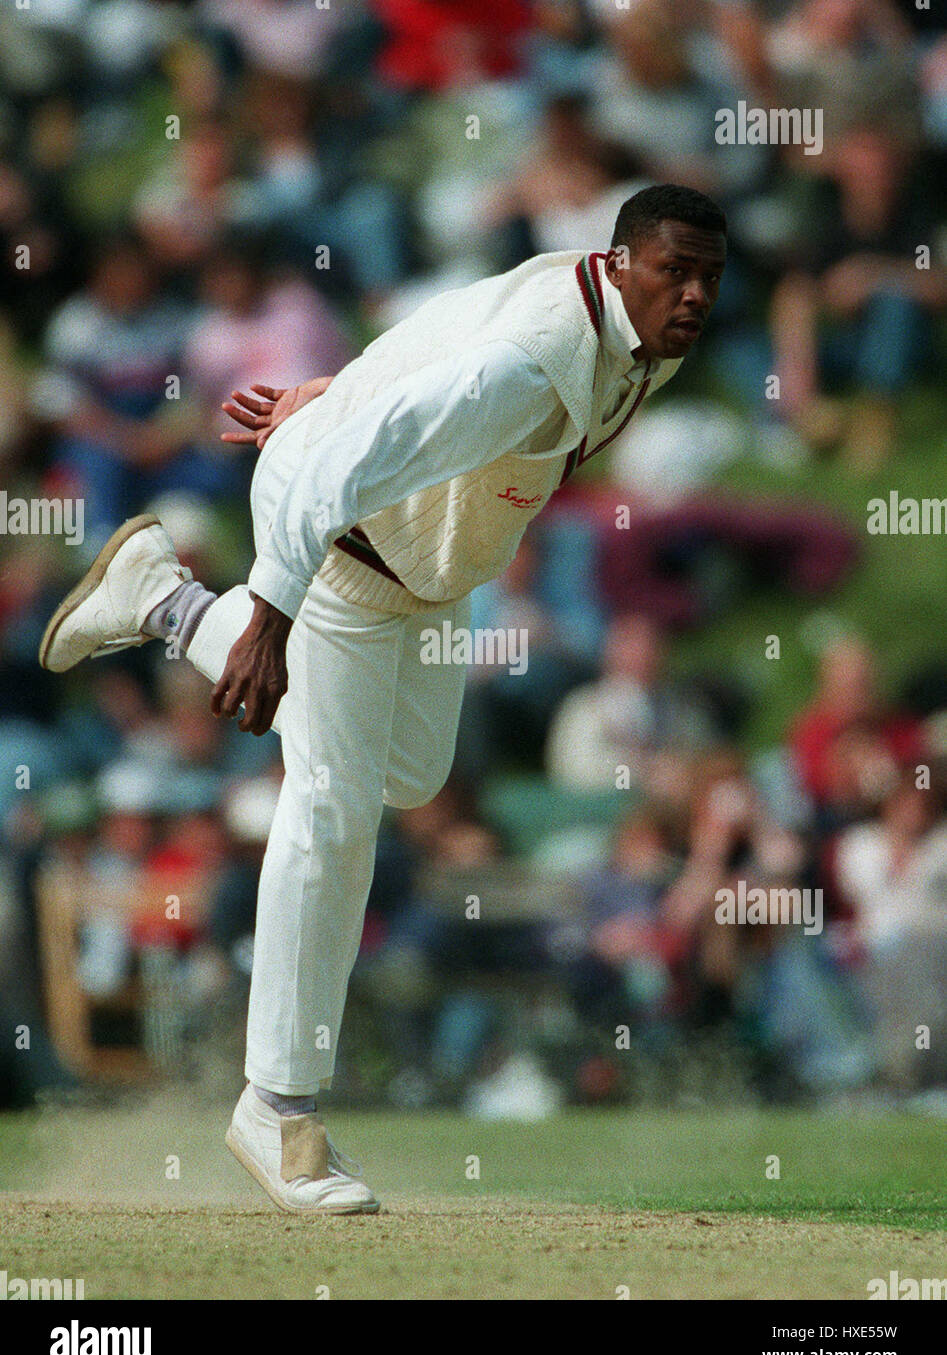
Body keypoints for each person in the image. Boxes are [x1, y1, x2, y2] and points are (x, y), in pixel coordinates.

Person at [38, 184, 727, 1215]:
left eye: (709, 276)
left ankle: (167, 600)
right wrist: (269, 610)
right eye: (673, 269)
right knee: (331, 811)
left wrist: (342, 383)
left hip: (424, 572)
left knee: (412, 775)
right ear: (618, 260)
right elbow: (348, 458)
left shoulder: (627, 333)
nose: (693, 294)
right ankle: (277, 1111)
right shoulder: (536, 359)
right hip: (341, 558)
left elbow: (452, 314)